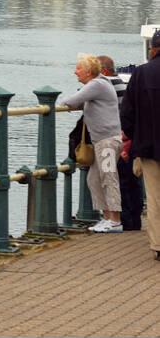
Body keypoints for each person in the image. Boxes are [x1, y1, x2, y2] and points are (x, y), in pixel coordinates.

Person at [62, 53, 124, 233]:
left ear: (89, 71)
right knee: (94, 178)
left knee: (109, 178)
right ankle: (106, 217)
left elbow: (72, 100)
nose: (75, 72)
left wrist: (66, 102)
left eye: (78, 68)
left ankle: (115, 220)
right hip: (102, 141)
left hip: (107, 141)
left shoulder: (96, 84)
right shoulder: (99, 84)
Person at [121, 31, 160, 260]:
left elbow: (127, 114)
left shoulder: (142, 73)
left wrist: (136, 138)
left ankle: (158, 244)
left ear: (152, 49)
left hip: (149, 147)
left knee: (154, 198)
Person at [100, 55, 143, 231]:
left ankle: (123, 219)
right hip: (130, 138)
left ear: (103, 70)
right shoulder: (120, 82)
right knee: (132, 181)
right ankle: (134, 220)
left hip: (117, 138)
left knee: (120, 181)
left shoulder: (106, 83)